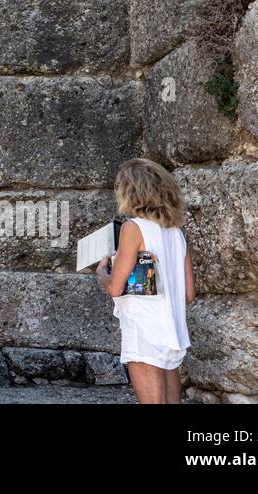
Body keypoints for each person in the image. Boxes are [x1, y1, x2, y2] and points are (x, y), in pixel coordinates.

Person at [95, 158, 195, 404]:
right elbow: (189, 294)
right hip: (172, 332)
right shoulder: (176, 233)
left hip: (144, 330)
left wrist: (101, 271)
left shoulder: (133, 228)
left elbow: (115, 287)